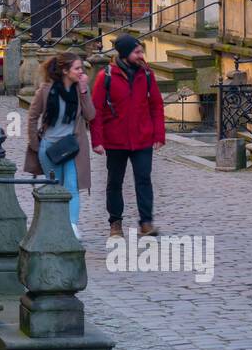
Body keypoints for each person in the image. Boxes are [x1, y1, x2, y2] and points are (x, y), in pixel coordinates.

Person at [91, 34, 165, 238]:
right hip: (116, 139)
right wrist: (97, 141)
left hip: (142, 138)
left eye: (141, 51)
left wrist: (159, 134)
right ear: (124, 54)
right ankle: (115, 223)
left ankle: (146, 222)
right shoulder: (105, 76)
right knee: (115, 182)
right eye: (137, 51)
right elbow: (96, 109)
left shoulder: (147, 74)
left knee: (144, 179)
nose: (141, 55)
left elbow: (156, 105)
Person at [25, 53, 97, 240]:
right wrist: (35, 144)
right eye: (77, 68)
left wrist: (84, 91)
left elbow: (90, 115)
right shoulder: (46, 90)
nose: (81, 72)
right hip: (49, 148)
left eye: (81, 68)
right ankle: (54, 227)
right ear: (65, 71)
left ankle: (72, 227)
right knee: (54, 189)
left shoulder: (79, 90)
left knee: (72, 187)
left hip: (73, 147)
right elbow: (32, 117)